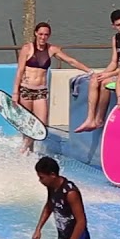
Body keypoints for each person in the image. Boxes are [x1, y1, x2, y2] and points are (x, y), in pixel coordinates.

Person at [12, 21, 92, 152]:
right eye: (41, 34)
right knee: (26, 125)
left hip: (40, 91)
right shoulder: (27, 48)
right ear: (36, 33)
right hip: (25, 89)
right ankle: (28, 152)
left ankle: (24, 148)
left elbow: (71, 61)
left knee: (41, 123)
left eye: (46, 35)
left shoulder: (52, 49)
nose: (43, 37)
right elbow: (20, 71)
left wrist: (89, 71)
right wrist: (15, 93)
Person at [74, 9, 120, 132]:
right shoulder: (116, 38)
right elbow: (114, 62)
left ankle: (99, 118)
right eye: (118, 25)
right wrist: (103, 73)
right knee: (95, 79)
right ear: (113, 26)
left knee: (105, 83)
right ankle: (90, 118)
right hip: (118, 70)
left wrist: (109, 75)